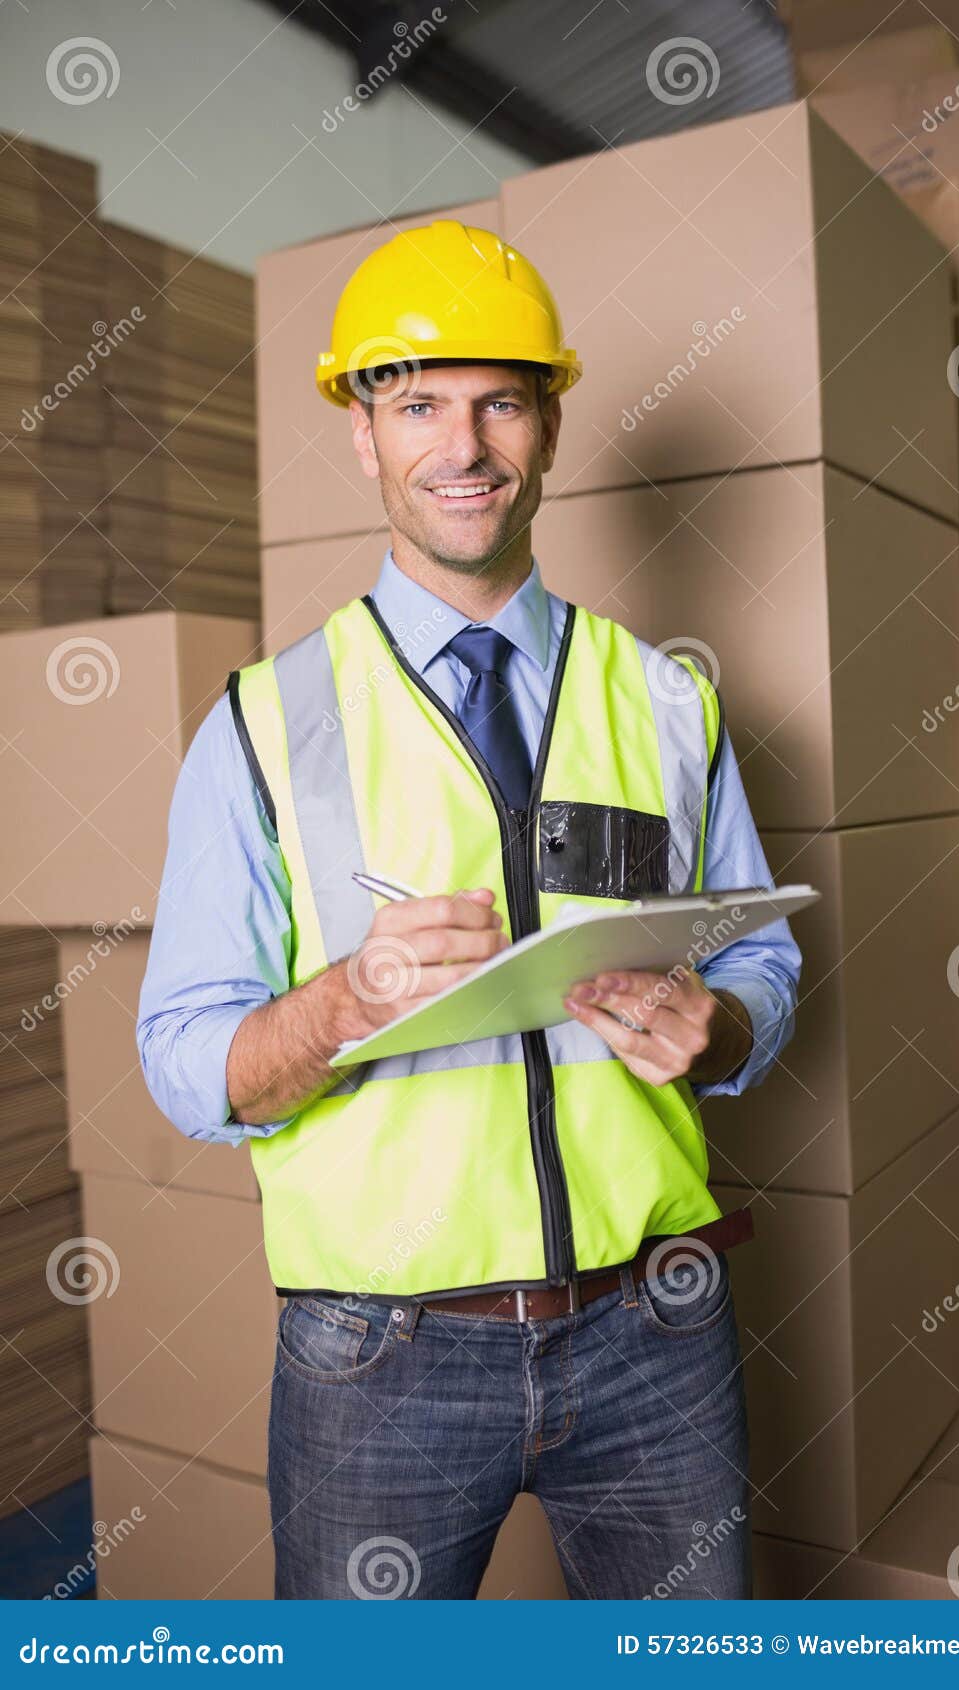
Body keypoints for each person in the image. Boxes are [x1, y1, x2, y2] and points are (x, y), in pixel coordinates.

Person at [138, 219, 801, 1602]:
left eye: (501, 399)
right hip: (379, 1360)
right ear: (361, 434)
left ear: (550, 425)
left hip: (655, 1329)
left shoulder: (666, 697)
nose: (464, 444)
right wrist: (341, 1002)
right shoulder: (266, 724)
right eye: (417, 401)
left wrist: (721, 1023)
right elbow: (189, 1067)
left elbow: (764, 959)